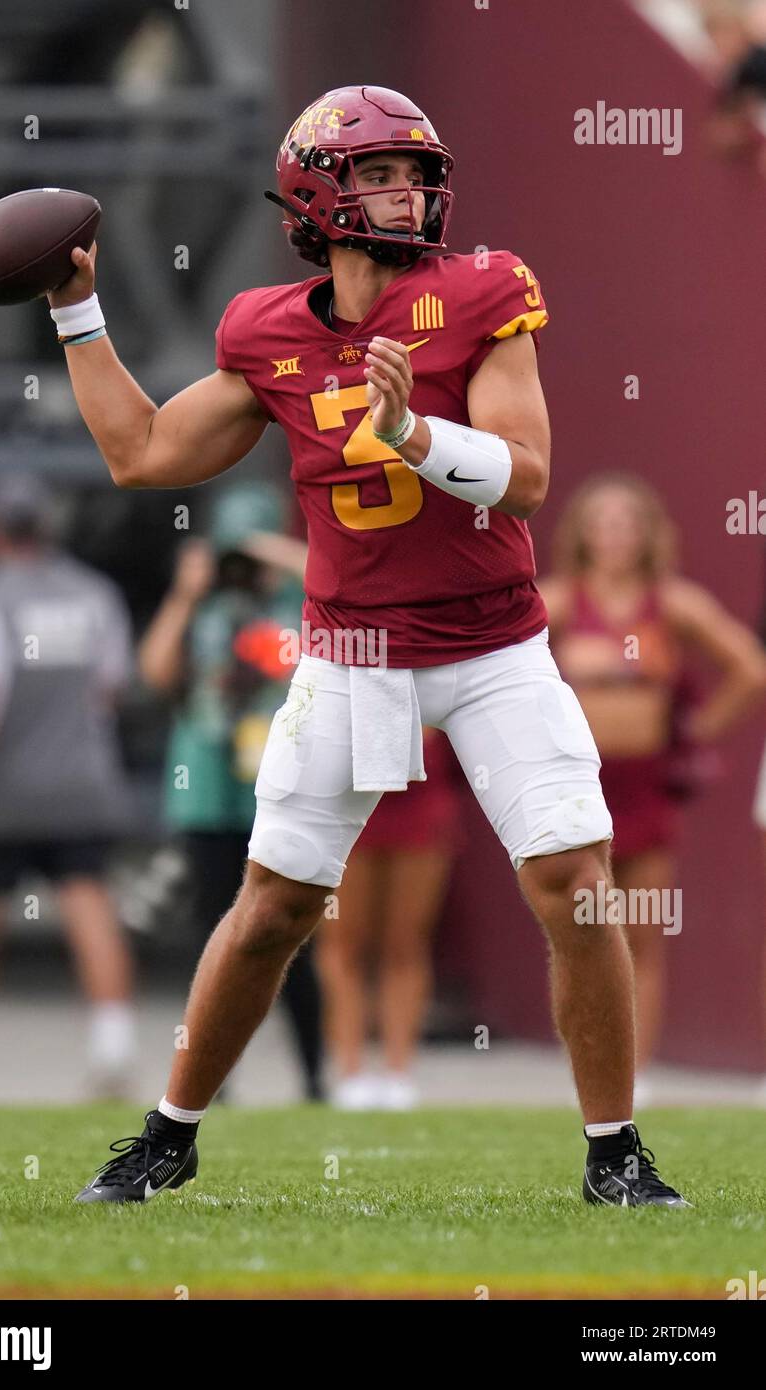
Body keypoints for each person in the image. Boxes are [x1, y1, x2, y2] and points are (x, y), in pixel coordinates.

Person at [53, 84, 689, 1207]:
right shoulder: (266, 328)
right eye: (381, 173)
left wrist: (408, 433)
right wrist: (77, 315)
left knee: (574, 883)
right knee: (273, 909)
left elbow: (528, 476)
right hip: (350, 651)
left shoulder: (481, 291)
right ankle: (167, 1134)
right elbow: (142, 452)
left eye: (416, 171)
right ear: (315, 192)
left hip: (492, 642)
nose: (409, 190)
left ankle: (615, 1153)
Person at [541, 474, 766, 1107]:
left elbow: (750, 665)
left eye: (627, 524)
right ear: (582, 534)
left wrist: (698, 728)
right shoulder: (557, 600)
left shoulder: (673, 603)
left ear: (648, 536)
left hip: (646, 786)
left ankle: (635, 1078)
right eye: (602, 523)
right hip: (578, 782)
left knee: (641, 926)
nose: (614, 536)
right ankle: (588, 1068)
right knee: (581, 926)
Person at [0, 474, 138, 1098]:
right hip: (82, 782)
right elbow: (110, 688)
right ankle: (113, 1044)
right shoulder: (97, 596)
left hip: (5, 790)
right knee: (90, 902)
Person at [138, 481, 324, 1101]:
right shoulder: (207, 611)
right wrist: (186, 595)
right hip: (210, 788)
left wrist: (273, 552)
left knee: (290, 930)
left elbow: (328, 577)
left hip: (283, 784)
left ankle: (315, 1076)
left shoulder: (301, 601)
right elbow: (155, 672)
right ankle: (212, 1082)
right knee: (216, 931)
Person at [317, 728, 464, 1109]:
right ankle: (350, 1072)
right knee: (343, 942)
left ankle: (399, 1073)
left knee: (406, 941)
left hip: (421, 797)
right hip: (348, 795)